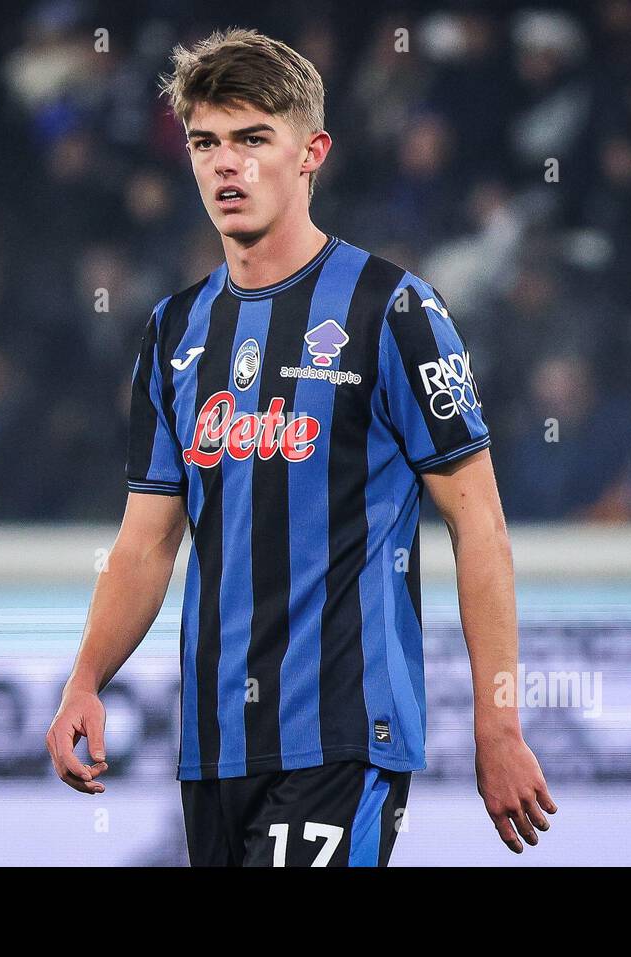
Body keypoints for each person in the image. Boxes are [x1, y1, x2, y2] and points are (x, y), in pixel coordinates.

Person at [46, 28, 555, 867]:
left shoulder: (394, 311)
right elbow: (146, 541)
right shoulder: (174, 331)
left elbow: (481, 524)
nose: (226, 166)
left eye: (252, 140)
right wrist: (86, 677)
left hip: (341, 735)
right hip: (212, 746)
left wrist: (498, 721)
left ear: (312, 151)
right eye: (206, 143)